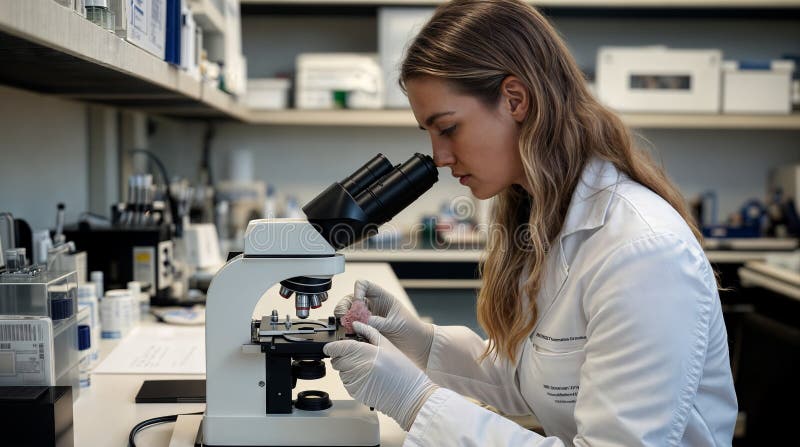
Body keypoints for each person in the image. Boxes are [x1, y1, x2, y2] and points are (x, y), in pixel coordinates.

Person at [323, 0, 738, 445]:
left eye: (447, 128)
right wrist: (421, 344)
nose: (440, 157)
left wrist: (415, 402)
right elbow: (541, 379)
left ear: (515, 99)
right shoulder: (549, 222)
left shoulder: (643, 253)